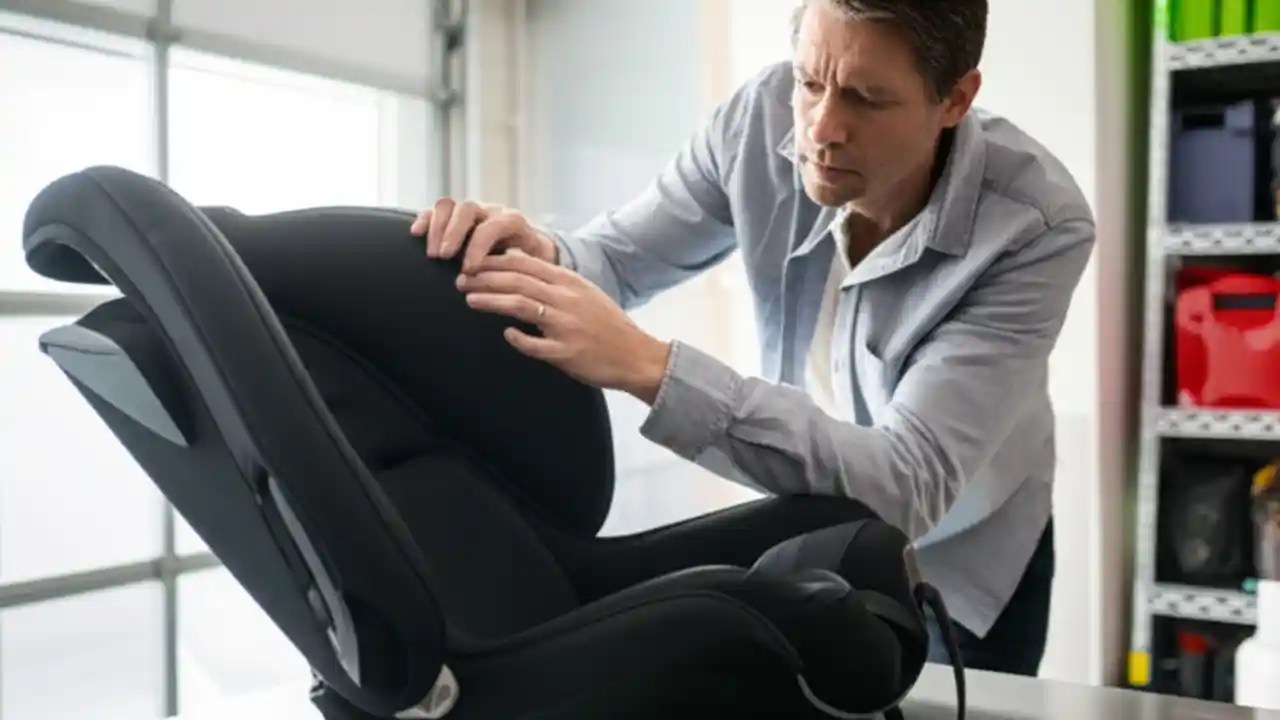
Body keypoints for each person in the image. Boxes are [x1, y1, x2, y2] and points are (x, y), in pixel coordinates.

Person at [409, 0, 1092, 677]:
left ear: (955, 99)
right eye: (811, 82)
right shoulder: (760, 117)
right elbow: (616, 258)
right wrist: (544, 253)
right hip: (804, 518)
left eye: (865, 99)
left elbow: (906, 484)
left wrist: (652, 368)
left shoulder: (1036, 224)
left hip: (960, 557)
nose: (821, 129)